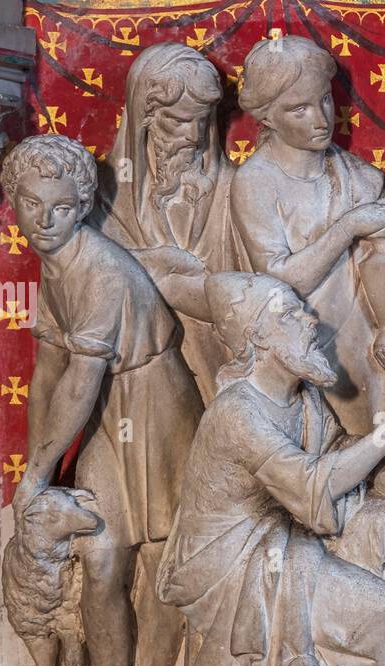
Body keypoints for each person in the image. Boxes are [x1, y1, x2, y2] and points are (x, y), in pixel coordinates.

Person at [130, 272, 385, 666]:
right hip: (236, 571)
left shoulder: (304, 400)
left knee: (375, 601)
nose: (310, 322)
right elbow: (314, 483)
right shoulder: (238, 411)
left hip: (282, 548)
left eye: (303, 311)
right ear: (256, 337)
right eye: (289, 314)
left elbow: (336, 460)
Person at [4, 134, 203, 666]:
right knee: (102, 555)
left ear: (84, 205)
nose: (43, 220)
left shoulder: (100, 271)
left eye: (60, 208)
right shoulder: (55, 261)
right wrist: (42, 467)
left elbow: (81, 381)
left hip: (157, 406)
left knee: (162, 561)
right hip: (106, 415)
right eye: (31, 204)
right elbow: (47, 371)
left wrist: (37, 475)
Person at [230, 35, 385, 436]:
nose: (321, 119)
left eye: (324, 99)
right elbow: (280, 281)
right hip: (307, 343)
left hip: (375, 337)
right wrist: (348, 227)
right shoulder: (256, 182)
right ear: (267, 117)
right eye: (298, 109)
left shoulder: (361, 177)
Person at [92, 43, 247, 402]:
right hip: (142, 381)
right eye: (177, 121)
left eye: (202, 121)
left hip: (225, 371)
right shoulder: (102, 196)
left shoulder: (234, 189)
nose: (192, 136)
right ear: (143, 116)